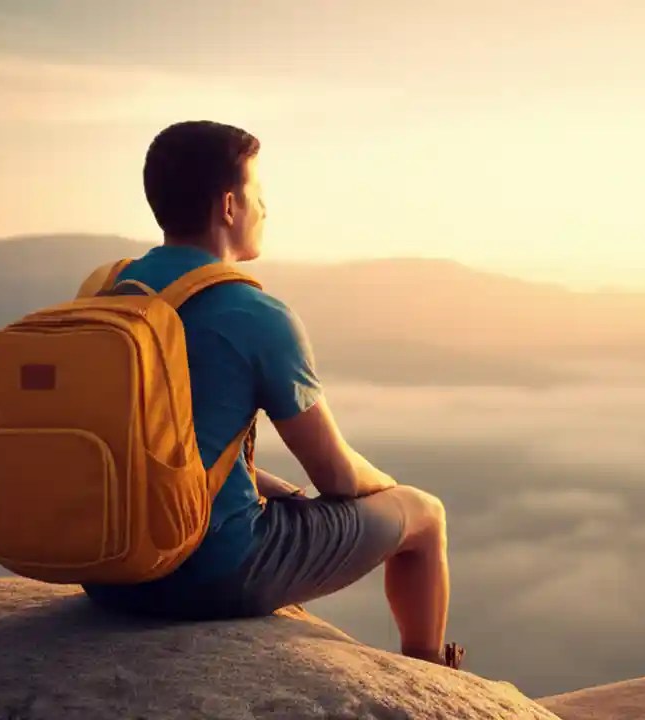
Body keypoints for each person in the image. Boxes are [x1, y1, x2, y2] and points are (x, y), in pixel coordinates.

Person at [81, 120, 462, 670]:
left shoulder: (108, 294)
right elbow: (336, 477)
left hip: (111, 574)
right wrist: (387, 487)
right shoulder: (254, 313)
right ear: (230, 206)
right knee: (426, 515)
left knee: (288, 498)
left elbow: (147, 438)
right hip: (210, 575)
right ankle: (432, 674)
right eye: (260, 195)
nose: (266, 210)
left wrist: (253, 480)